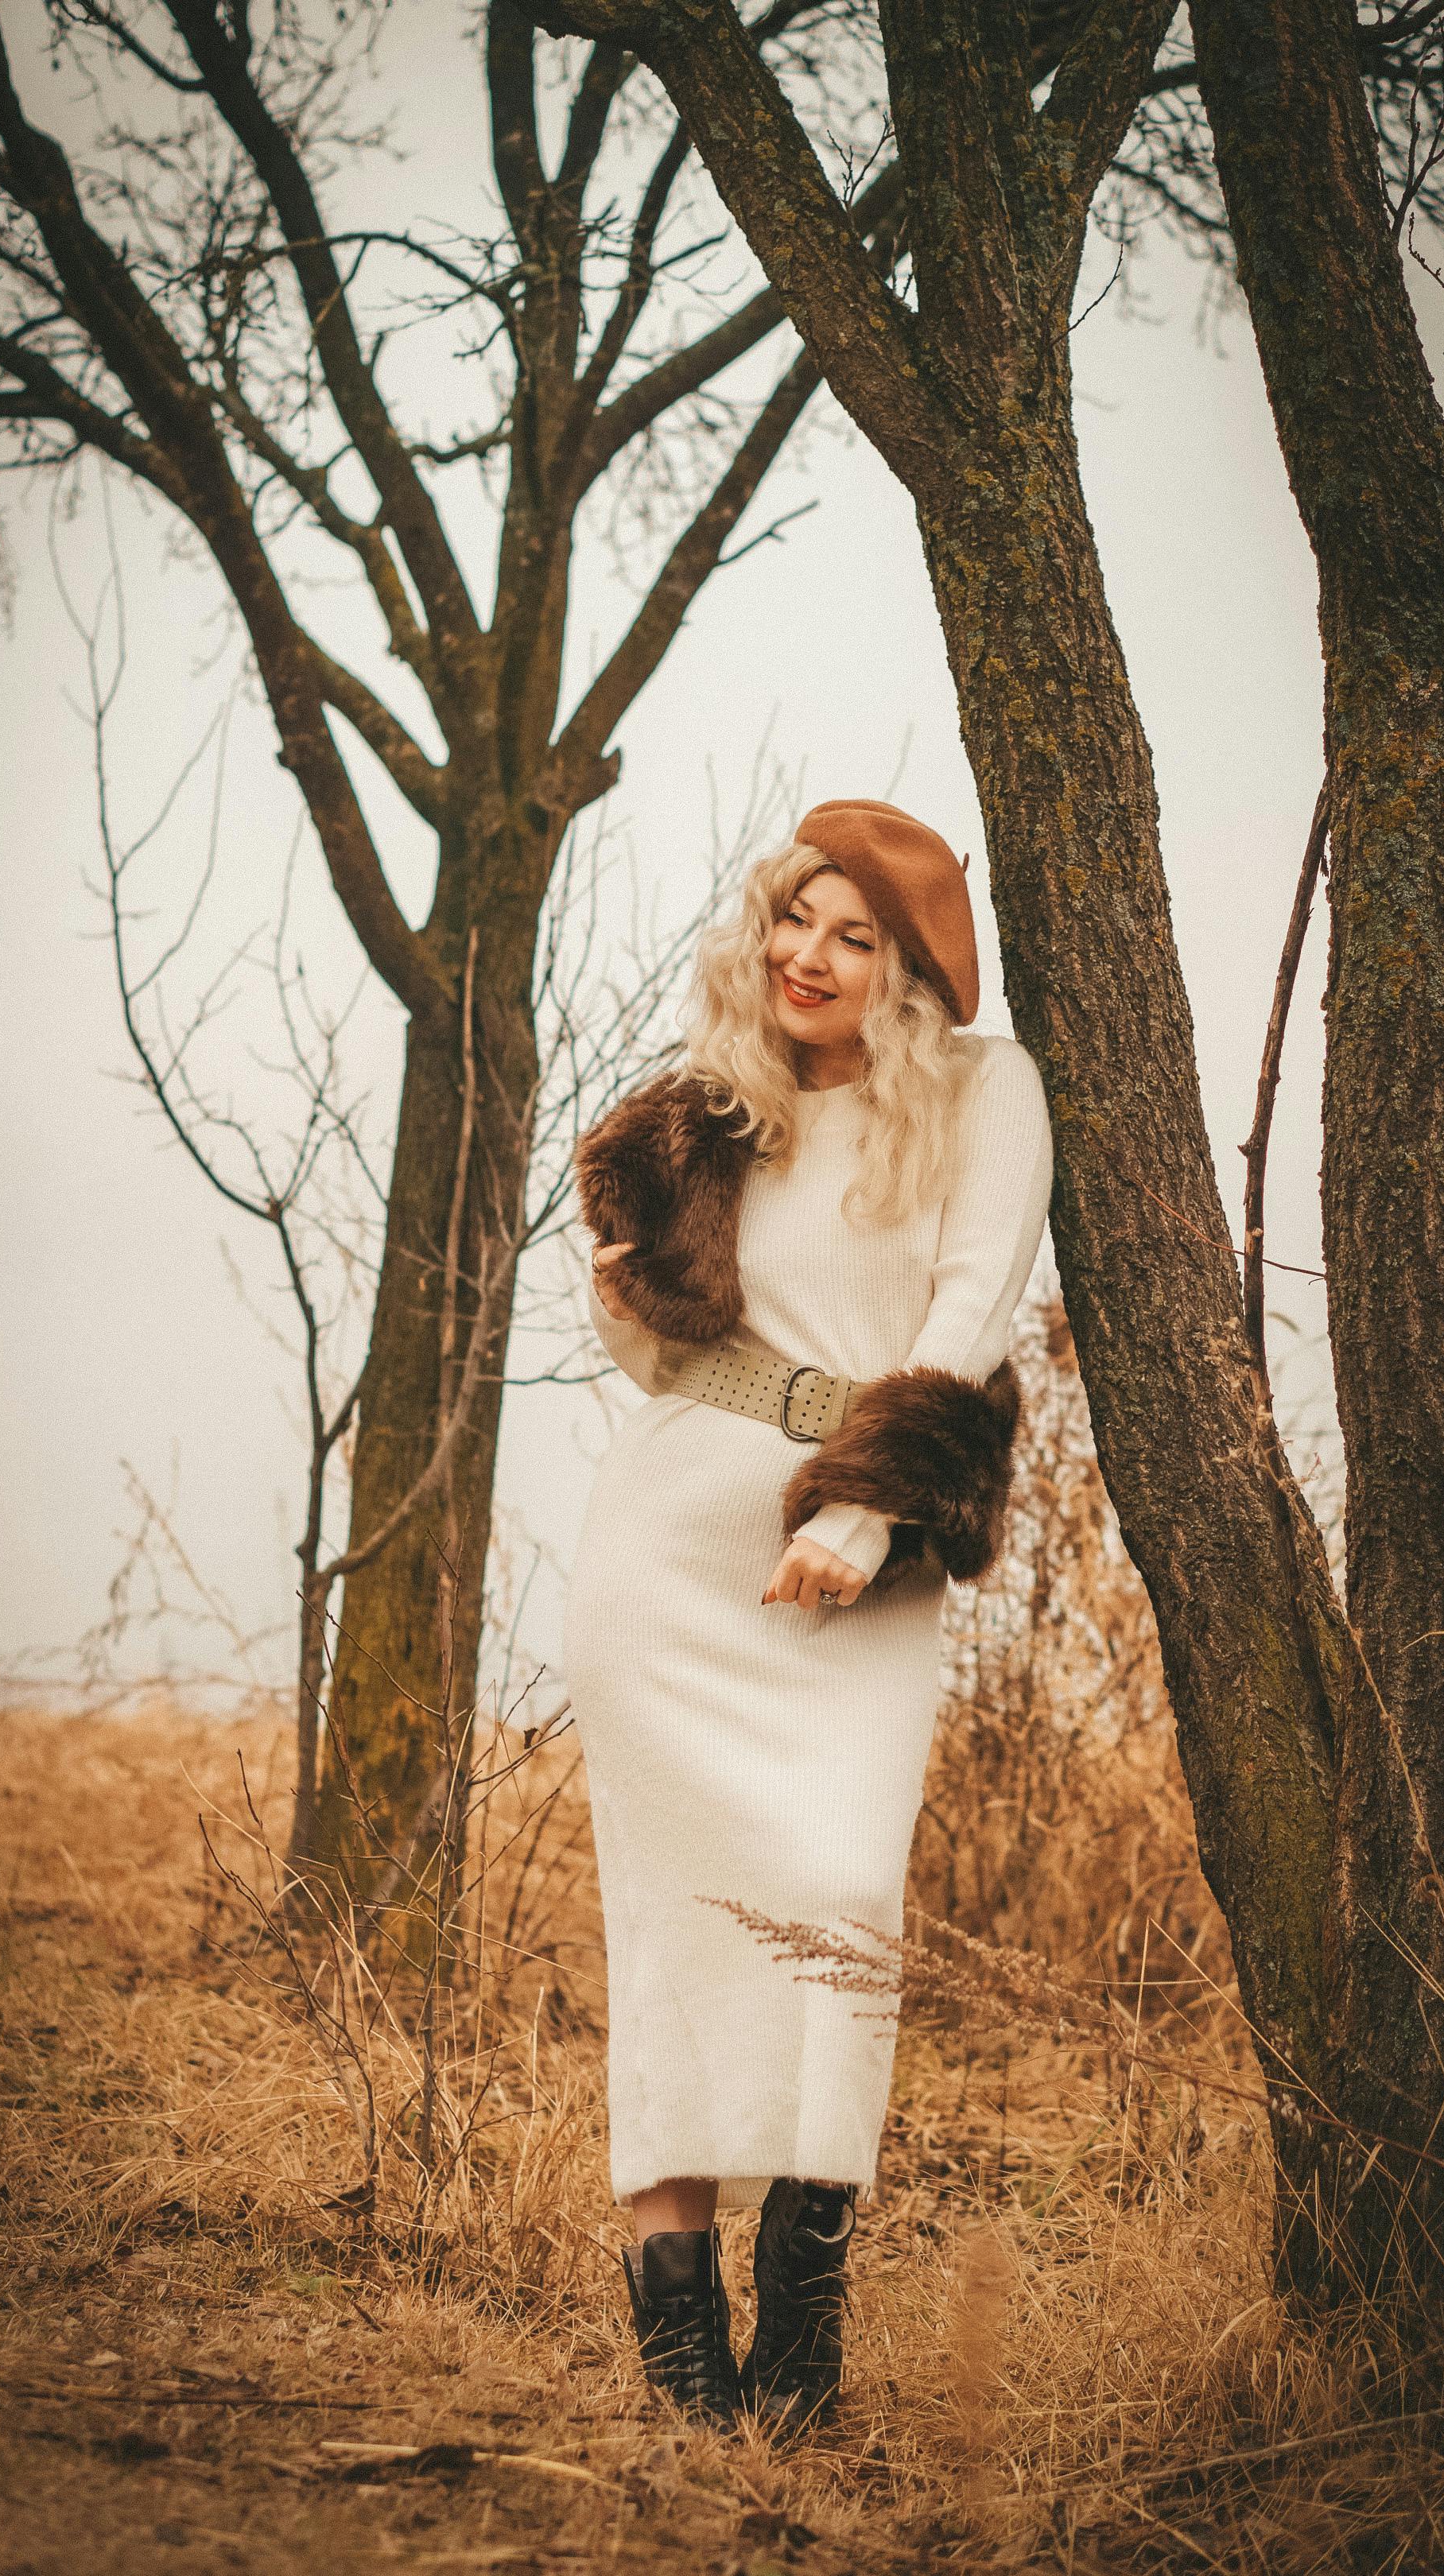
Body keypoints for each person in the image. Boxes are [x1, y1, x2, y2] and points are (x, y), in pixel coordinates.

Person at [563, 798, 1053, 2434]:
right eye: (794, 918)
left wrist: (864, 1506)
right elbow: (661, 1353)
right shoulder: (709, 1112)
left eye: (855, 936)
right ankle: (686, 2357)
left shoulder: (983, 1092)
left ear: (910, 968)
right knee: (675, 1935)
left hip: (862, 1564)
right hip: (666, 1568)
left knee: (842, 1907)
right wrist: (620, 1285)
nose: (812, 957)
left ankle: (806, 2304)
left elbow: (974, 1312)